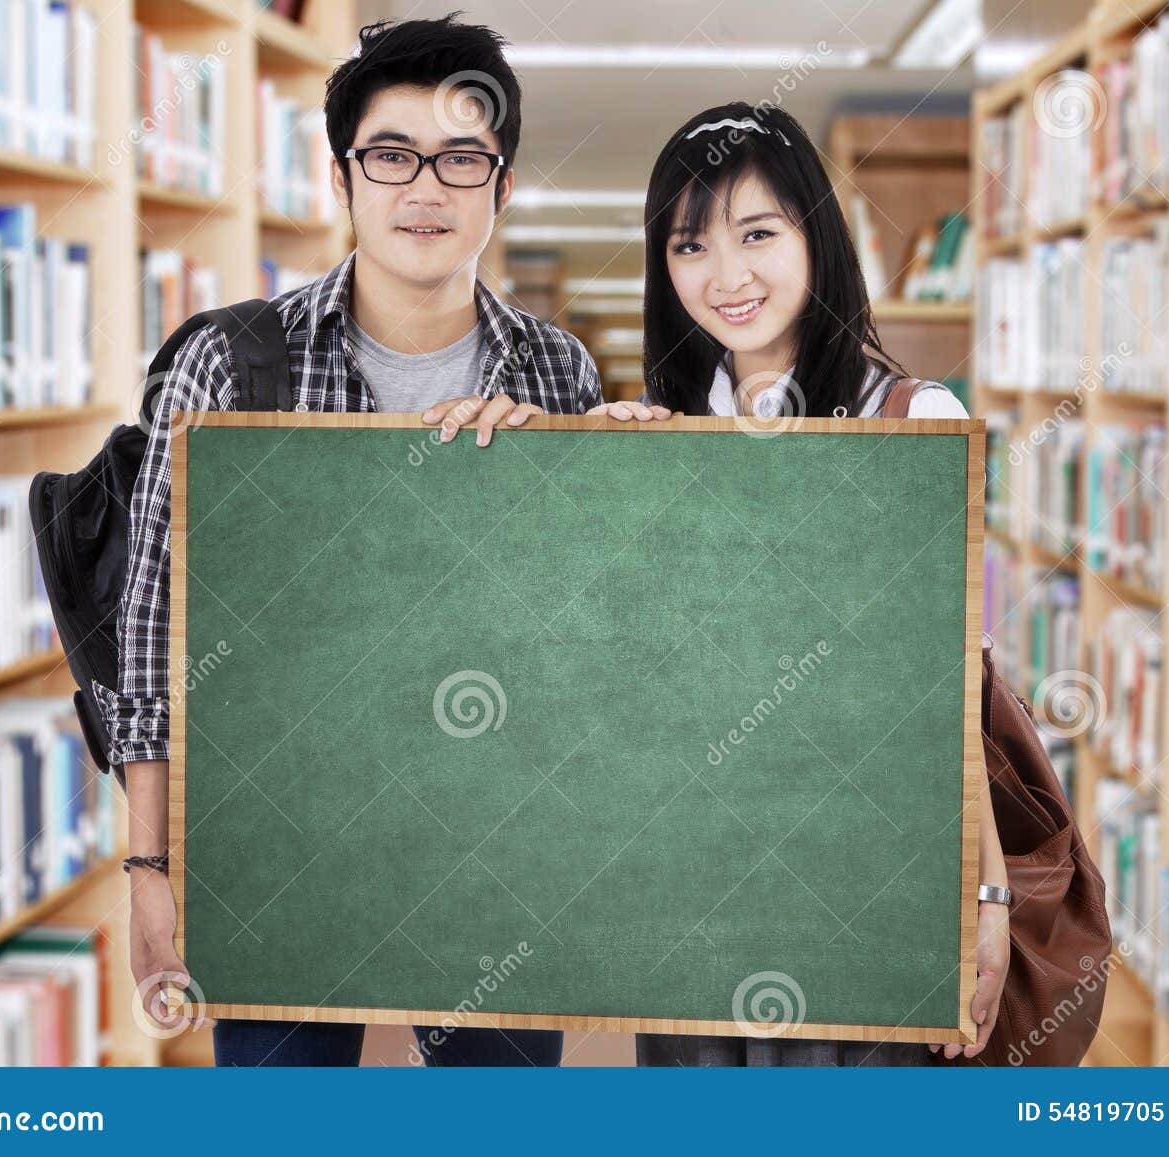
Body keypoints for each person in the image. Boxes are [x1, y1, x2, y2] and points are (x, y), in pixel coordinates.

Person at [101, 14, 602, 1067]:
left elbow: (581, 633)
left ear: (502, 186)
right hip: (279, 832)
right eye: (391, 155)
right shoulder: (233, 363)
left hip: (500, 845)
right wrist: (148, 867)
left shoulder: (557, 370)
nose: (426, 188)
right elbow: (151, 630)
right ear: (342, 178)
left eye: (461, 158)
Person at [592, 101, 1012, 1066]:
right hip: (692, 897)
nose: (725, 275)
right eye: (690, 245)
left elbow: (948, 690)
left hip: (864, 888)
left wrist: (986, 896)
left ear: (817, 236)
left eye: (757, 234)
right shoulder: (662, 433)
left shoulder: (911, 423)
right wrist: (601, 498)